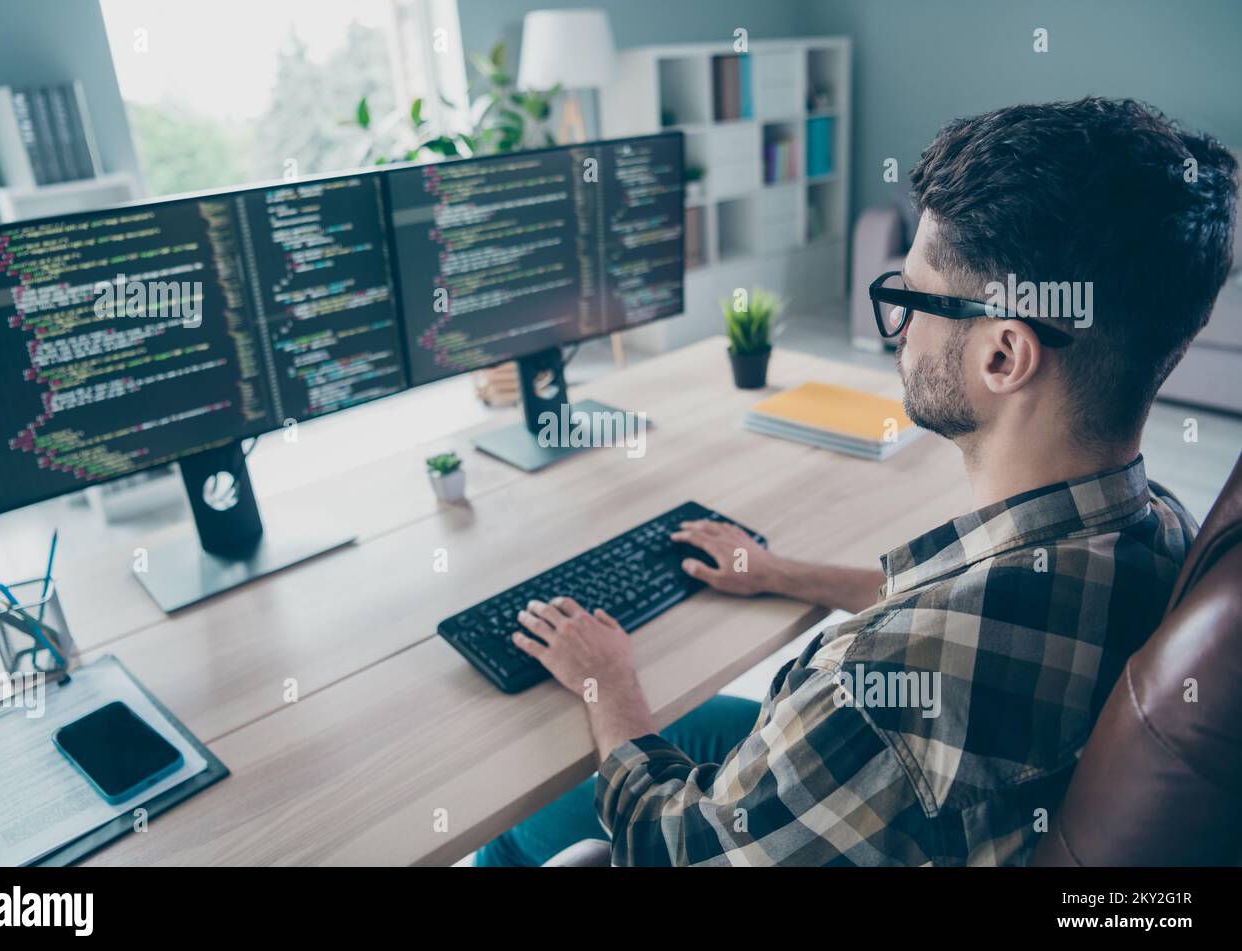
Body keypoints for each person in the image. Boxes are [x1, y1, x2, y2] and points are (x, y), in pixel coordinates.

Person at [476, 97, 1238, 866]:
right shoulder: (1160, 524)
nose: (899, 328)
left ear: (1002, 356)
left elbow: (671, 845)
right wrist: (780, 572)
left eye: (910, 297)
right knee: (704, 718)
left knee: (510, 814)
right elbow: (980, 614)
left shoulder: (881, 691)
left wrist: (608, 684)